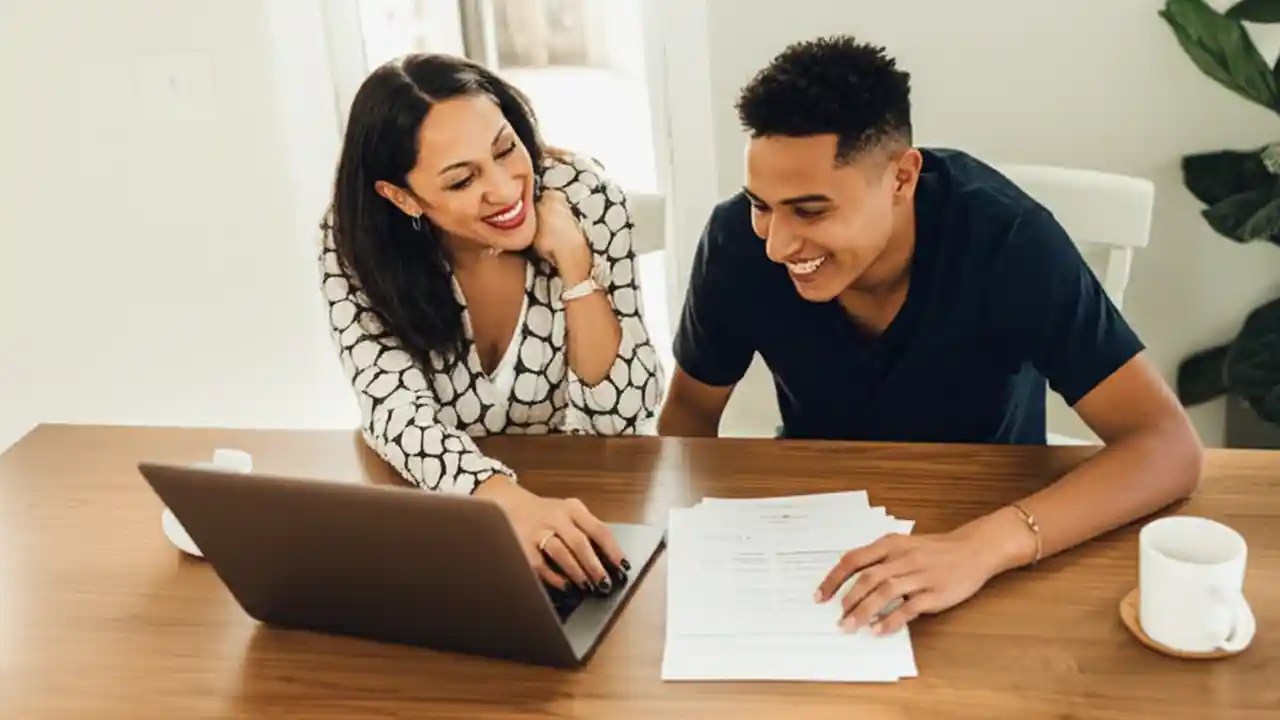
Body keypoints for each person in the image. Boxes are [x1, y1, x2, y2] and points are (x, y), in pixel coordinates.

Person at [658, 36, 1202, 634]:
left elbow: (1167, 445)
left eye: (810, 211)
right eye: (762, 204)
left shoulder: (1010, 241)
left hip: (998, 525)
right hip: (815, 538)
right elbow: (688, 411)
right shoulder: (736, 243)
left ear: (902, 177)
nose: (777, 243)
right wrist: (703, 553)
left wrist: (981, 547)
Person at [319, 54, 664, 595]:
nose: (505, 189)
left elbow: (622, 422)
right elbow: (393, 412)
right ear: (402, 196)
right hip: (446, 517)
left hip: (594, 506)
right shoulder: (357, 244)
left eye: (505, 149)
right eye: (462, 180)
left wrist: (575, 263)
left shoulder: (584, 197)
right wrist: (503, 499)